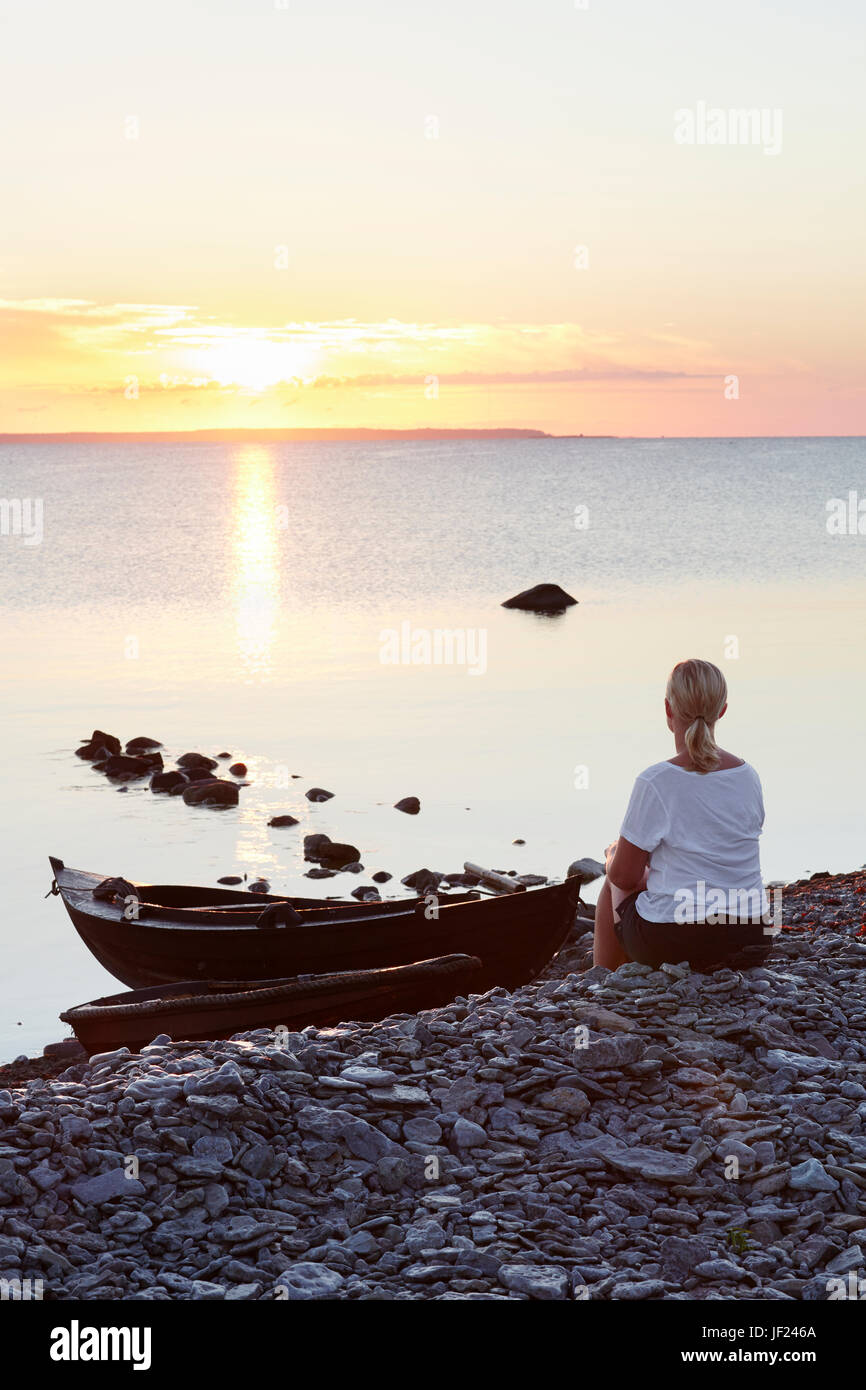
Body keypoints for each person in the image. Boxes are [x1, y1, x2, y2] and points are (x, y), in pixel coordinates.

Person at [594, 658, 774, 972]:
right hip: (754, 934)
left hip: (678, 940)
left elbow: (624, 877)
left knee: (612, 883)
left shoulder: (656, 781)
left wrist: (612, 856)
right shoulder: (749, 775)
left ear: (668, 709)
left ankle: (600, 983)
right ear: (722, 710)